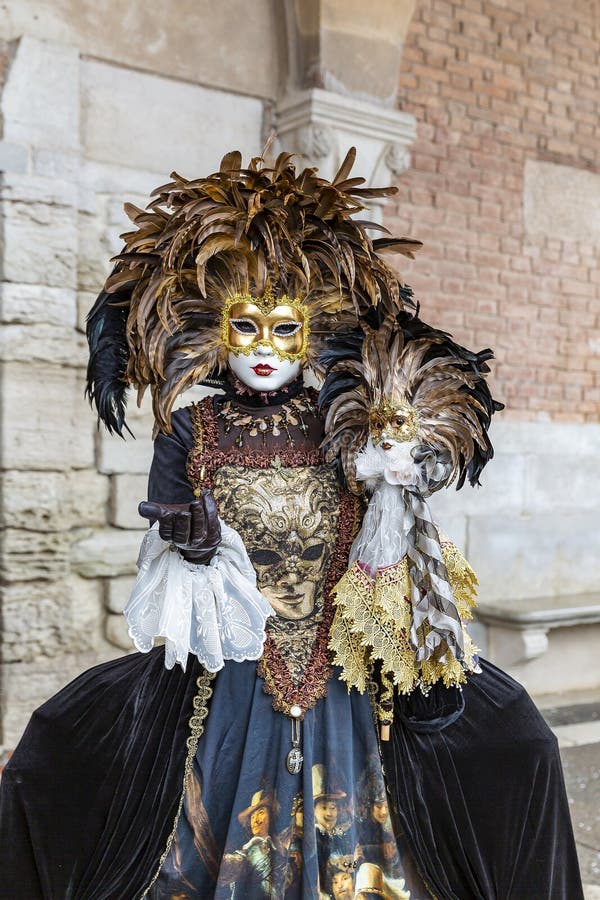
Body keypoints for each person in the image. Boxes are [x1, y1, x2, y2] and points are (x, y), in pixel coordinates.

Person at [0, 149, 583, 900]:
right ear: (215, 329)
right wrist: (190, 551)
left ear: (313, 332)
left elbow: (407, 508)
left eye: (286, 329)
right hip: (228, 676)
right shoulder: (189, 430)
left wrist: (407, 472)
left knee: (522, 741)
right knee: (58, 746)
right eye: (248, 327)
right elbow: (166, 536)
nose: (268, 350)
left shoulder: (345, 420)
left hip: (348, 669)